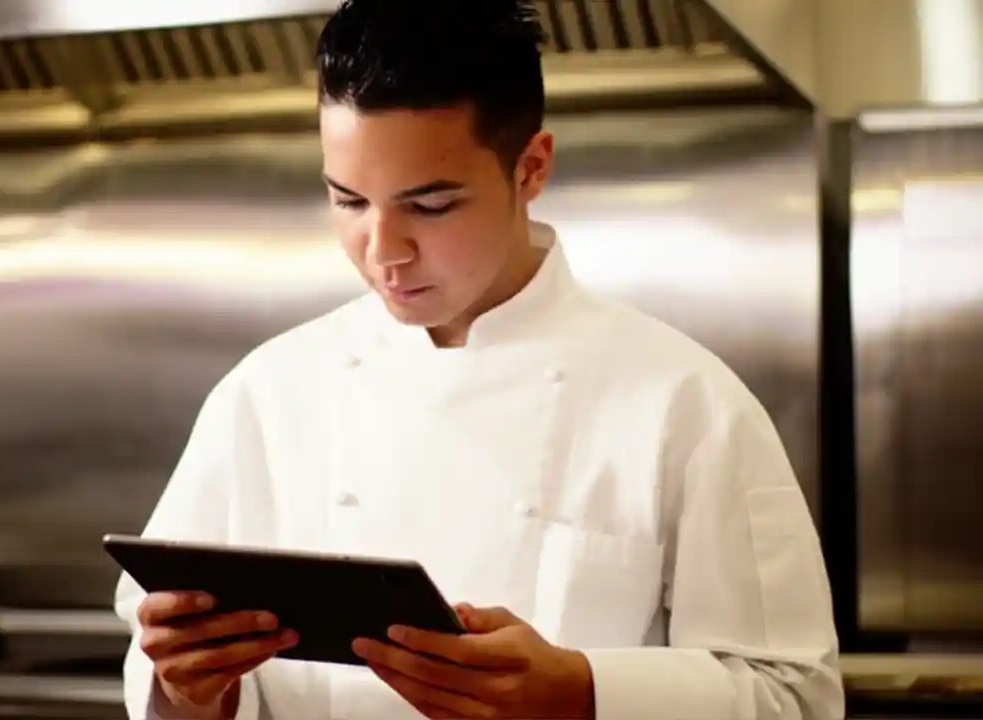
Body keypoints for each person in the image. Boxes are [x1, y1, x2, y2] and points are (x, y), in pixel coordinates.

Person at [114, 0, 844, 718]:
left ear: (531, 168)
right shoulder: (267, 395)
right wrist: (192, 692)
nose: (384, 251)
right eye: (349, 201)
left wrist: (585, 694)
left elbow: (796, 697)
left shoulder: (688, 404)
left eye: (430, 206)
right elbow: (171, 676)